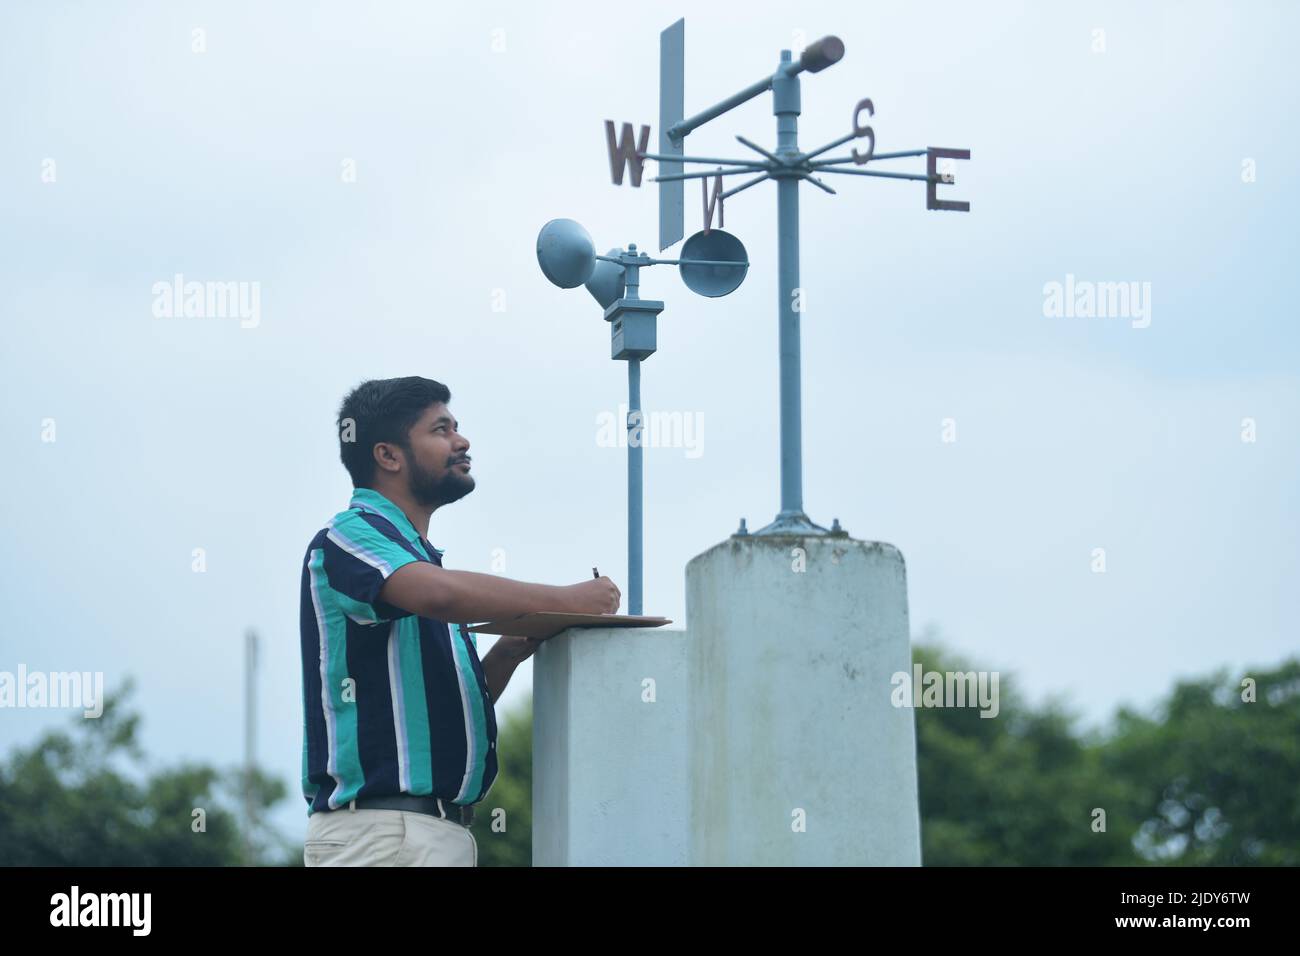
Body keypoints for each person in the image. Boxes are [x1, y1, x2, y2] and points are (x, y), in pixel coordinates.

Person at [300, 376, 620, 866]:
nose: (462, 440)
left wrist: (510, 650)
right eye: (441, 429)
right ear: (388, 456)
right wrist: (570, 599)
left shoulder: (416, 562)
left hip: (417, 834)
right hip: (385, 834)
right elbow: (443, 596)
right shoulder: (349, 536)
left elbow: (437, 712)